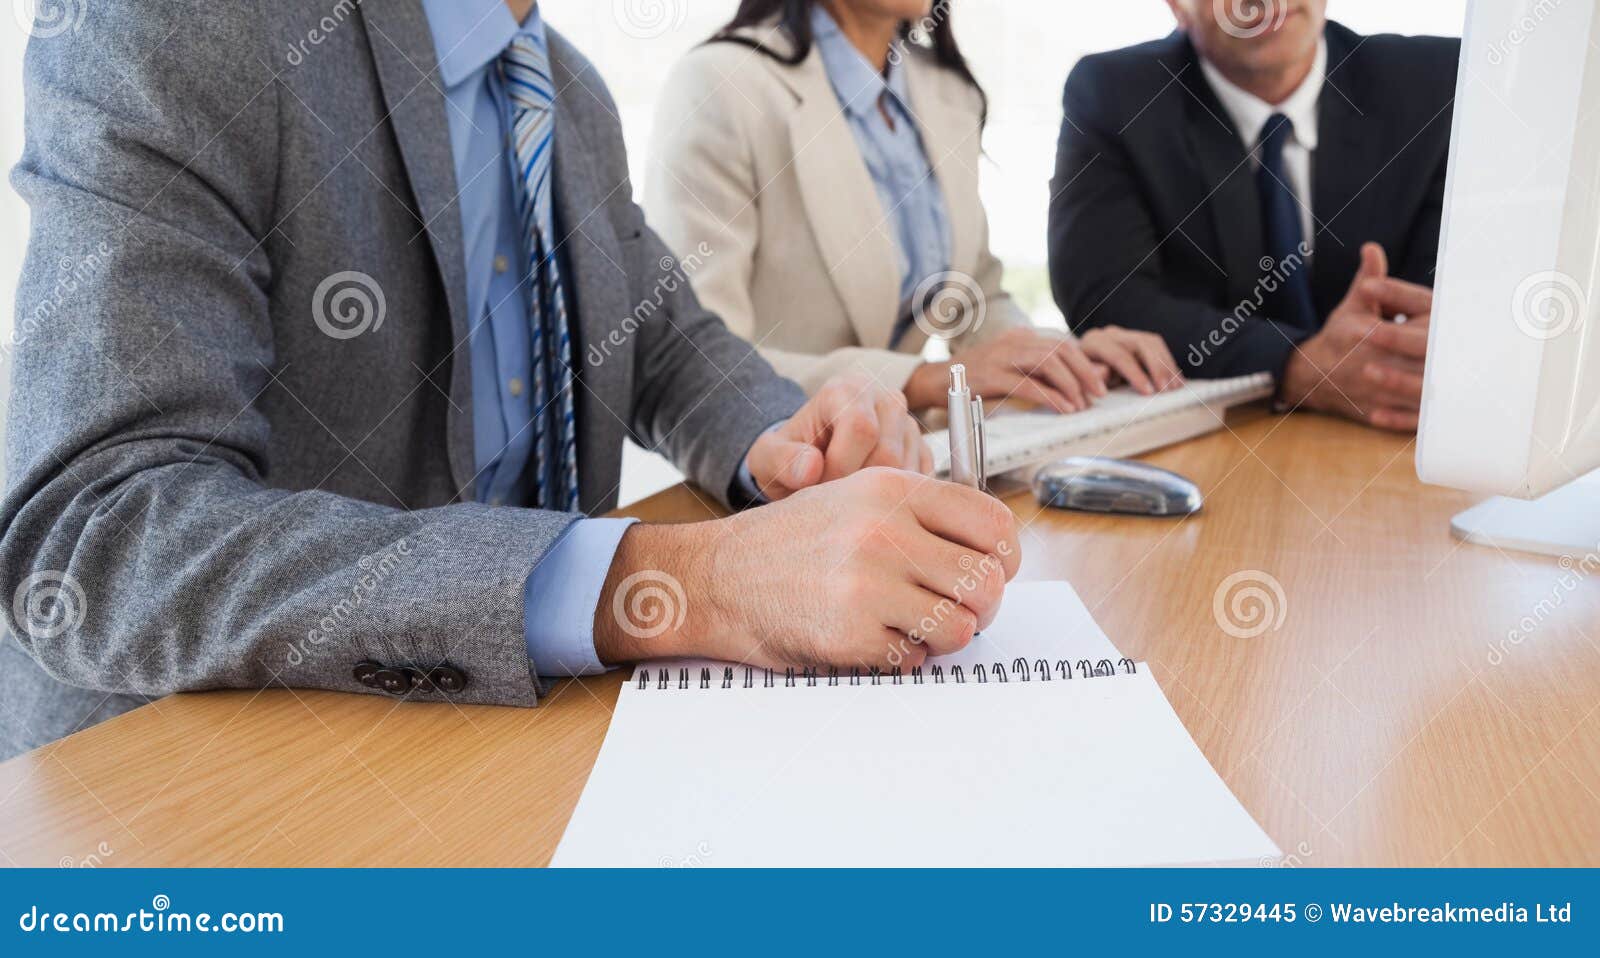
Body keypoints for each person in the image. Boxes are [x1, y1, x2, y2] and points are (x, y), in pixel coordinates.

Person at [0, 0, 1018, 759]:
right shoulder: (183, 26)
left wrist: (789, 438)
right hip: (194, 785)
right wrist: (672, 584)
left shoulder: (565, 90)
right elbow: (101, 527)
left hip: (501, 748)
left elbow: (664, 337)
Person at [646, 0, 1185, 416]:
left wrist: (1066, 359)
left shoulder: (946, 90)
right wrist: (925, 381)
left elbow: (976, 297)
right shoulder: (722, 87)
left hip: (898, 465)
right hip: (766, 484)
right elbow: (698, 361)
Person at [1049, 0, 1459, 431]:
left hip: (1396, 429)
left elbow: (1457, 291)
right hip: (1222, 435)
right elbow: (1108, 298)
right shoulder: (1116, 96)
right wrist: (1299, 365)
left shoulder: (1436, 83)